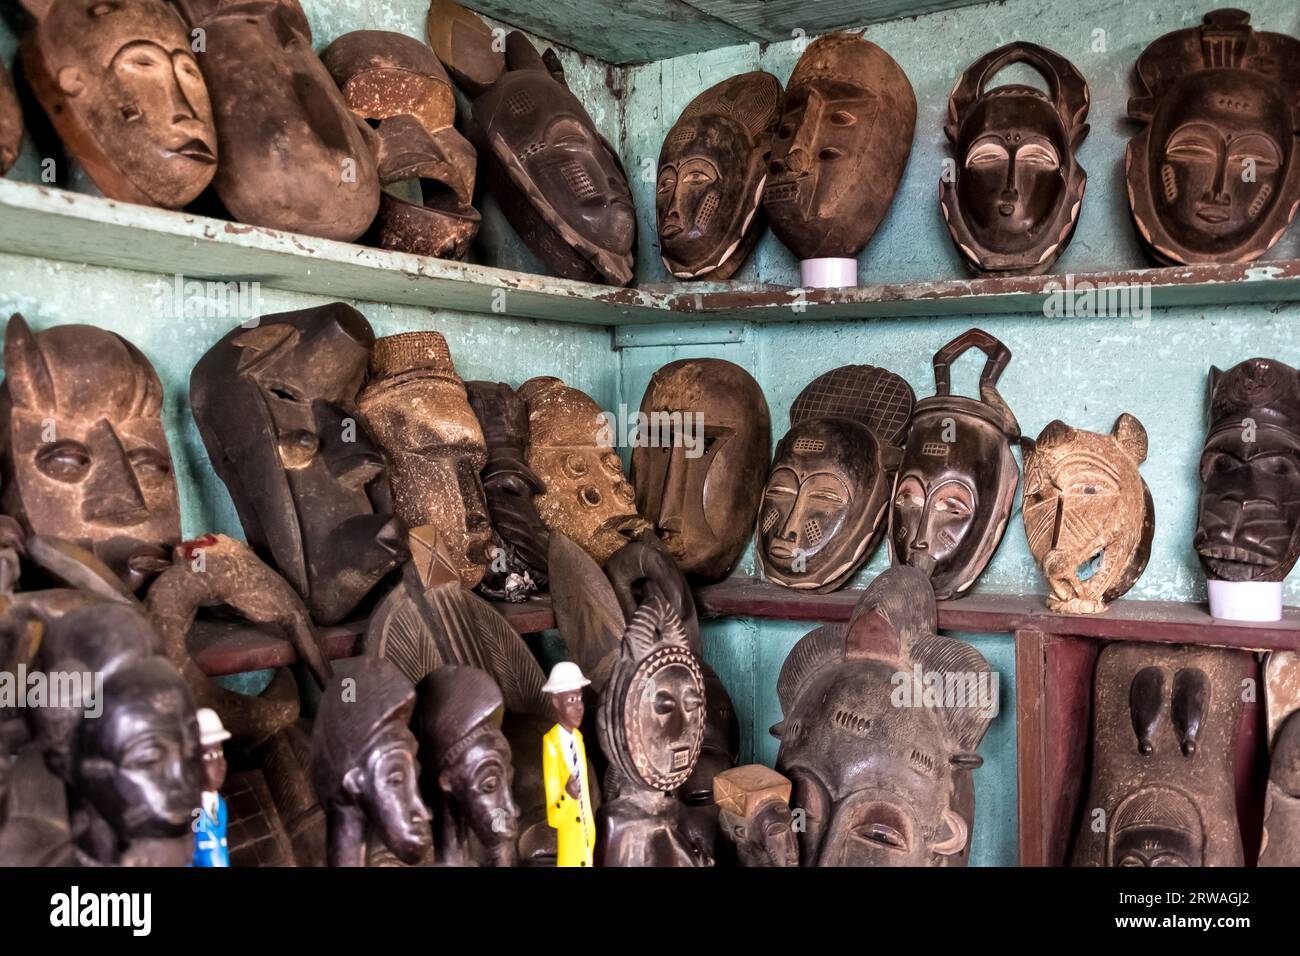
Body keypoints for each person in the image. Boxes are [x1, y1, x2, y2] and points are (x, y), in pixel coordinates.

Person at [541, 662, 595, 866]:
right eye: (571, 700)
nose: (579, 706)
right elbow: (553, 817)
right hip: (570, 845)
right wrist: (567, 794)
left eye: (580, 698)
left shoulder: (578, 740)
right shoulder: (551, 744)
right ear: (556, 702)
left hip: (588, 840)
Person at [193, 708, 231, 867]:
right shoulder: (193, 811)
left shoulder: (220, 806)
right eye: (210, 756)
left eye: (220, 754)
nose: (220, 764)